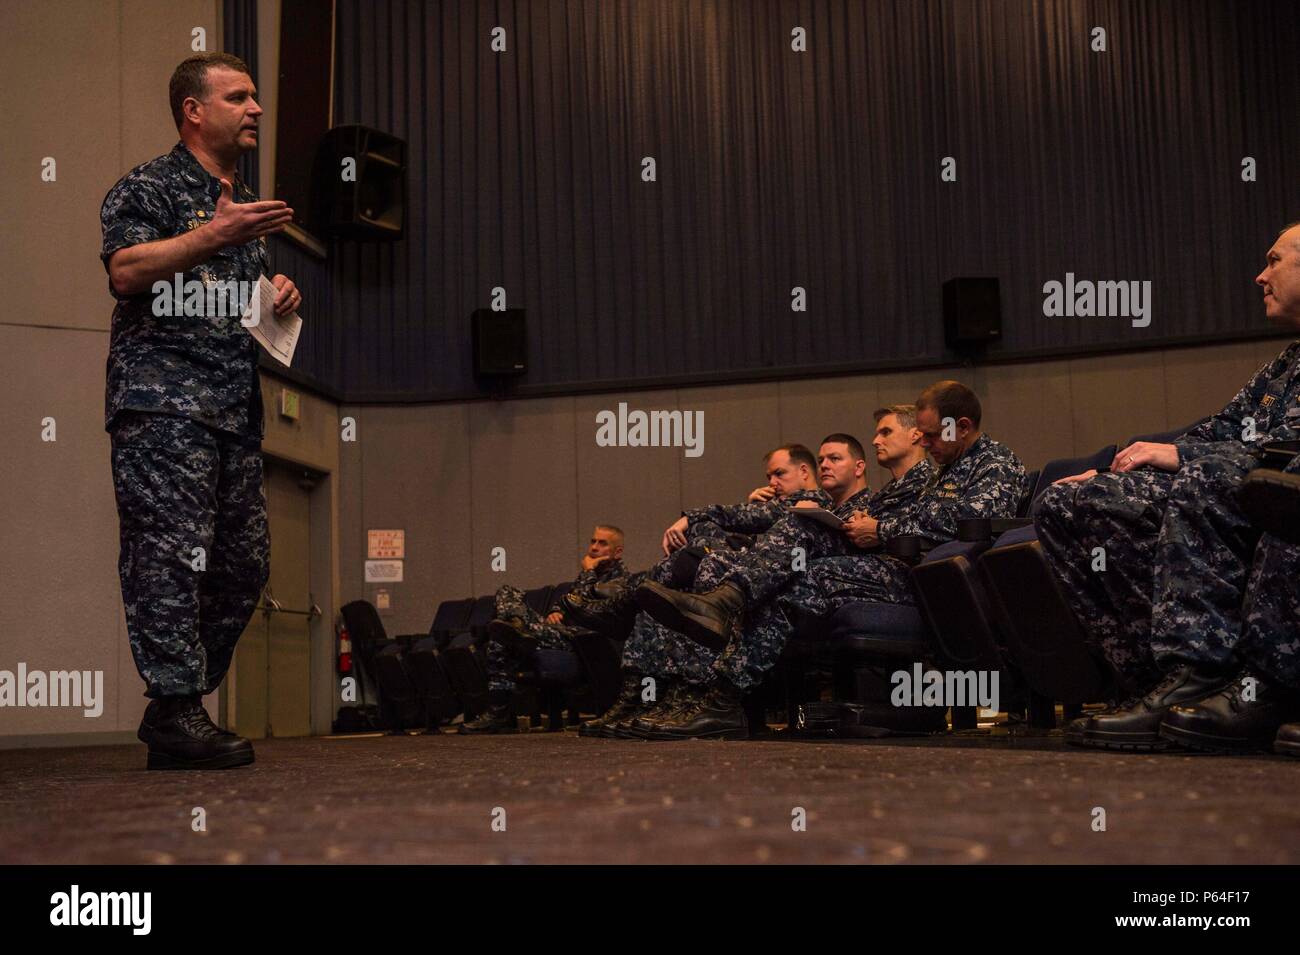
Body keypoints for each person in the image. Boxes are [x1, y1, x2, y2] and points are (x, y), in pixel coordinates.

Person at [102, 53, 300, 769]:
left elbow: (227, 307)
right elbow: (125, 271)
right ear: (194, 110)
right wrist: (211, 237)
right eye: (238, 97)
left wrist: (271, 298)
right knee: (168, 557)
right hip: (162, 407)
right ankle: (180, 705)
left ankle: (172, 707)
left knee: (244, 567)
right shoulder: (149, 187)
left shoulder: (240, 205)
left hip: (231, 411)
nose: (255, 108)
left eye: (256, 97)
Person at [630, 386, 1026, 740]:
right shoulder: (938, 470)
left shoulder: (995, 462)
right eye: (921, 434)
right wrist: (857, 523)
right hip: (891, 563)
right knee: (801, 538)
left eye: (933, 435)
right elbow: (886, 512)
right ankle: (722, 635)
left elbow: (970, 523)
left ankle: (722, 694)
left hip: (928, 577)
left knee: (807, 576)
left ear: (964, 425)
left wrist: (881, 528)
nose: (926, 442)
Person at [1037, 221, 1300, 751]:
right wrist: (1121, 467)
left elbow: (1287, 451)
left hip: (1270, 494)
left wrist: (1184, 455)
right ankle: (1160, 684)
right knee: (1071, 502)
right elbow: (1221, 429)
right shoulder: (1285, 364)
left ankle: (1228, 676)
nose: (1259, 275)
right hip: (1238, 487)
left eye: (1274, 261)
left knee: (1214, 477)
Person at [460, 526, 627, 734]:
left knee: (501, 639)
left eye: (602, 543)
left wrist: (587, 572)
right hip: (559, 631)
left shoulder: (621, 581)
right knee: (506, 596)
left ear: (617, 552)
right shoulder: (589, 576)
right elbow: (566, 603)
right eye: (593, 541)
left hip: (580, 641)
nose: (594, 547)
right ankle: (517, 624)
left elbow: (588, 608)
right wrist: (555, 612)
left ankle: (498, 713)